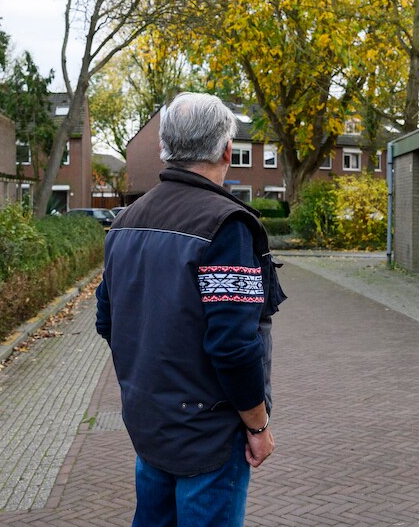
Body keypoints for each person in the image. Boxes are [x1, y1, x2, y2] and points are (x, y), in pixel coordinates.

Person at [95, 92, 287, 526]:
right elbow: (234, 346)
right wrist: (257, 427)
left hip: (150, 426)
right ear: (226, 150)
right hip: (210, 437)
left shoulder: (124, 222)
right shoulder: (226, 226)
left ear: (165, 148)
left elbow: (109, 320)